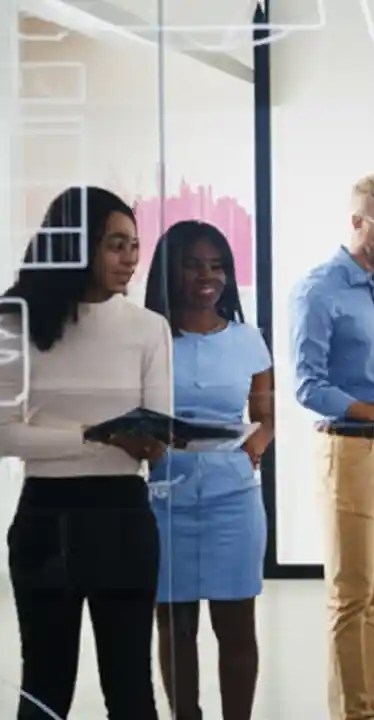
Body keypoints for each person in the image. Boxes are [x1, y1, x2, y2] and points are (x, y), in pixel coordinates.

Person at [0, 186, 173, 719]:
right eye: (115, 244)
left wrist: (151, 443)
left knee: (130, 687)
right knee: (46, 686)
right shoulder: (15, 321)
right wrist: (93, 436)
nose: (130, 259)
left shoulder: (148, 328)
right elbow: (3, 434)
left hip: (121, 515)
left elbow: (157, 437)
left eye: (134, 245)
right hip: (45, 520)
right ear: (77, 246)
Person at [290, 173, 374, 720]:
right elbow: (305, 383)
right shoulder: (319, 289)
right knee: (349, 593)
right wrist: (368, 410)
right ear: (357, 222)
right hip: (349, 451)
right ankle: (356, 714)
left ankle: (363, 706)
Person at [143, 220, 275, 720]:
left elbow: (265, 415)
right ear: (169, 271)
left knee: (236, 624)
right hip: (165, 497)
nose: (207, 275)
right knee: (175, 626)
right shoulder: (149, 336)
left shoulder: (247, 338)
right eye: (194, 264)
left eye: (217, 266)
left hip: (232, 498)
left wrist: (252, 448)